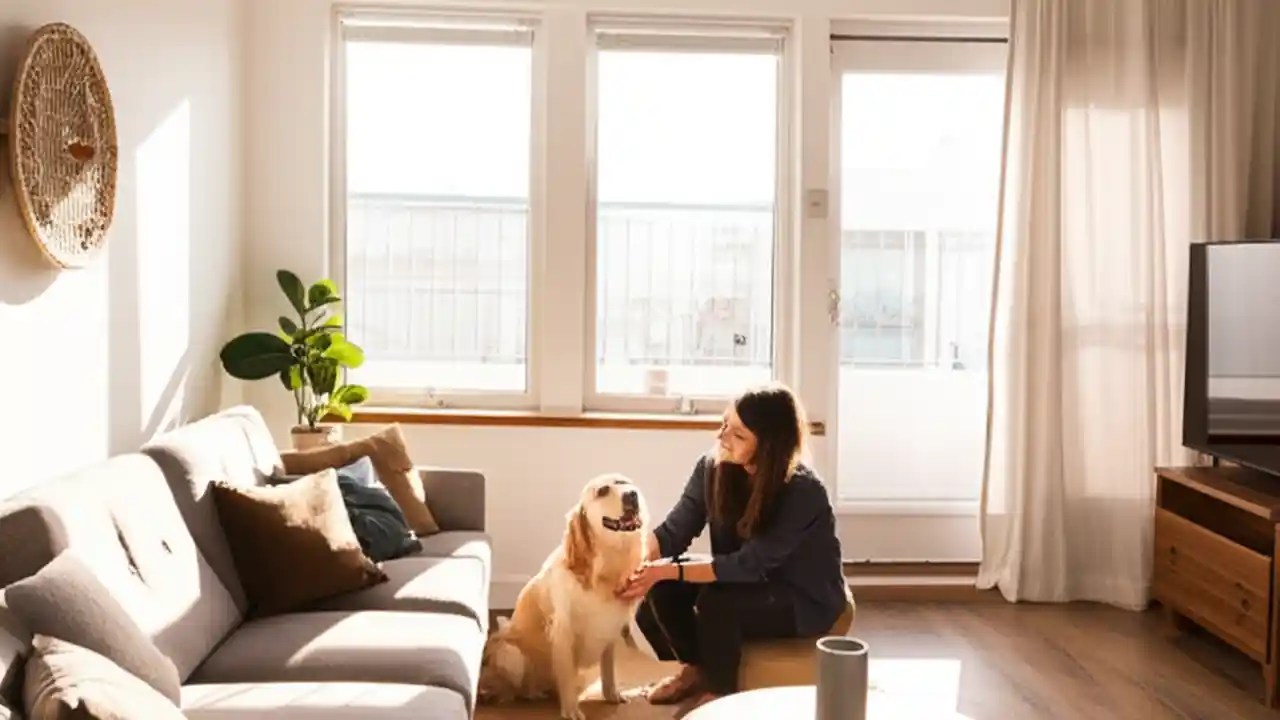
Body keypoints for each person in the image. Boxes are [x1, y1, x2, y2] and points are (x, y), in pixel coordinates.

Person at [615, 382, 849, 709]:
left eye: (738, 434)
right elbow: (673, 532)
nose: (722, 437)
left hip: (800, 595)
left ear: (769, 445)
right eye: (725, 424)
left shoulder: (803, 491)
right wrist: (631, 568)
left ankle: (720, 695)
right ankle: (696, 669)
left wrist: (666, 569)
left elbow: (749, 565)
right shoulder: (712, 468)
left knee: (716, 603)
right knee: (663, 587)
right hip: (741, 580)